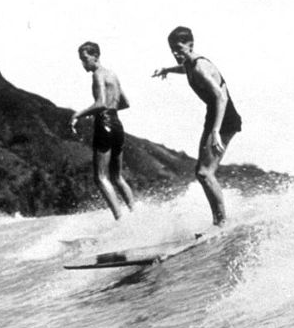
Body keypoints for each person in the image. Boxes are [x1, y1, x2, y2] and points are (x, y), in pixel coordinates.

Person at [153, 26, 242, 227]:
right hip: (214, 116)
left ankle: (221, 223)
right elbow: (184, 68)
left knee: (205, 172)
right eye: (171, 50)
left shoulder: (200, 66)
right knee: (201, 172)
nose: (175, 53)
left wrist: (216, 131)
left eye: (179, 48)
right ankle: (218, 221)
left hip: (224, 119)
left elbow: (221, 97)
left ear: (190, 45)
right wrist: (166, 69)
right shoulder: (190, 64)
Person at [69, 41, 135, 220]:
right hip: (117, 124)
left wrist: (79, 114)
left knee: (100, 178)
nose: (83, 64)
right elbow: (125, 103)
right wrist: (105, 110)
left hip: (104, 125)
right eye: (81, 60)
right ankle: (134, 214)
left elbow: (101, 103)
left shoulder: (97, 74)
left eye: (85, 59)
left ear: (96, 56)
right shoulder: (112, 75)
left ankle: (120, 219)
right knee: (117, 177)